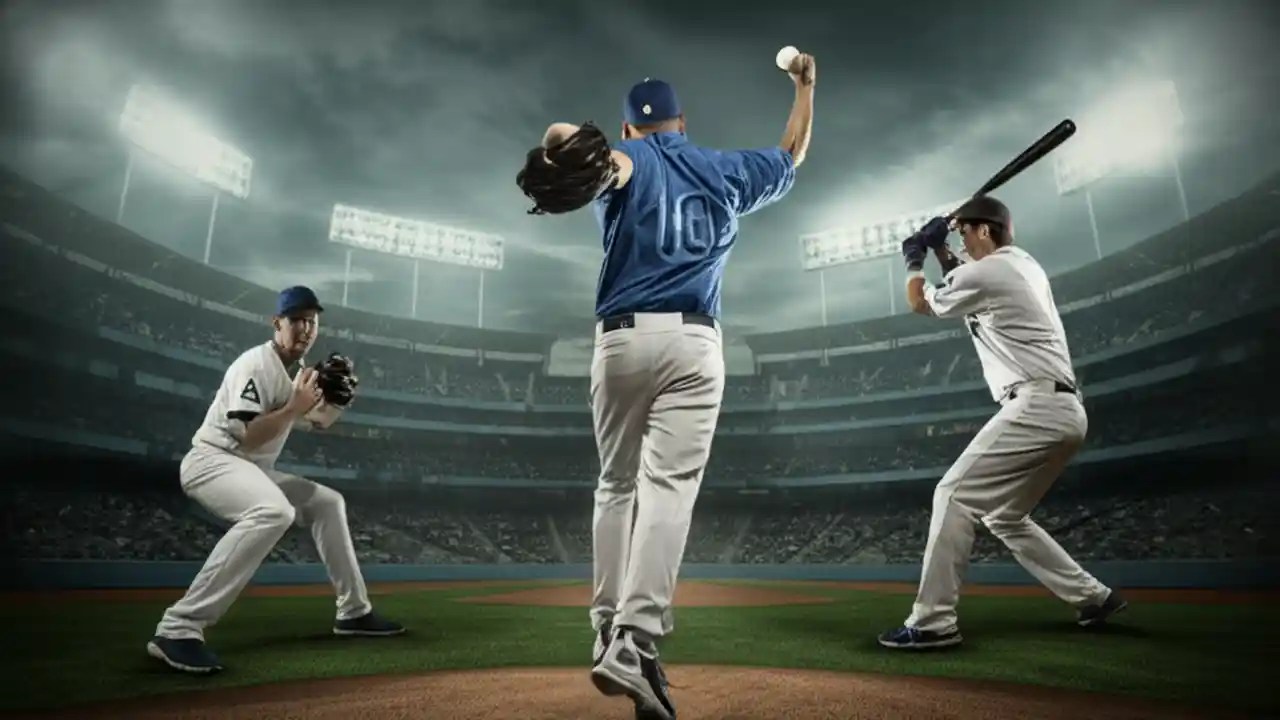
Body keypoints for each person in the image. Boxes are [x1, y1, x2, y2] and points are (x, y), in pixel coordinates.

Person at [520, 60, 814, 719]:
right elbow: (793, 151)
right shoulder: (724, 170)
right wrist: (804, 87)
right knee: (668, 494)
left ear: (627, 126)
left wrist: (575, 139)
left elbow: (571, 142)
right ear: (684, 123)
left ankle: (606, 629)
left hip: (620, 342)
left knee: (615, 487)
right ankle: (635, 638)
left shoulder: (621, 159)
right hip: (695, 344)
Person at [879, 197, 1126, 650]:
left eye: (966, 233)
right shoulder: (1019, 265)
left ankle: (933, 622)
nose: (963, 242)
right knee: (1005, 516)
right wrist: (941, 251)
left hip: (1035, 404)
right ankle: (1092, 597)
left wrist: (915, 255)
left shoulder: (989, 271)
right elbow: (966, 281)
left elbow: (922, 303)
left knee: (951, 494)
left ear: (986, 232)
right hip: (1065, 410)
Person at [146, 286, 403, 674]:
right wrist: (294, 406)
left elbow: (318, 422)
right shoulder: (255, 364)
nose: (305, 328)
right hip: (212, 460)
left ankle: (353, 612)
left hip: (249, 469)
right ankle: (178, 628)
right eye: (297, 319)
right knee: (273, 511)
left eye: (312, 321)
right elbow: (249, 435)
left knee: (327, 502)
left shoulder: (301, 376)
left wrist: (337, 402)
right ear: (276, 323)